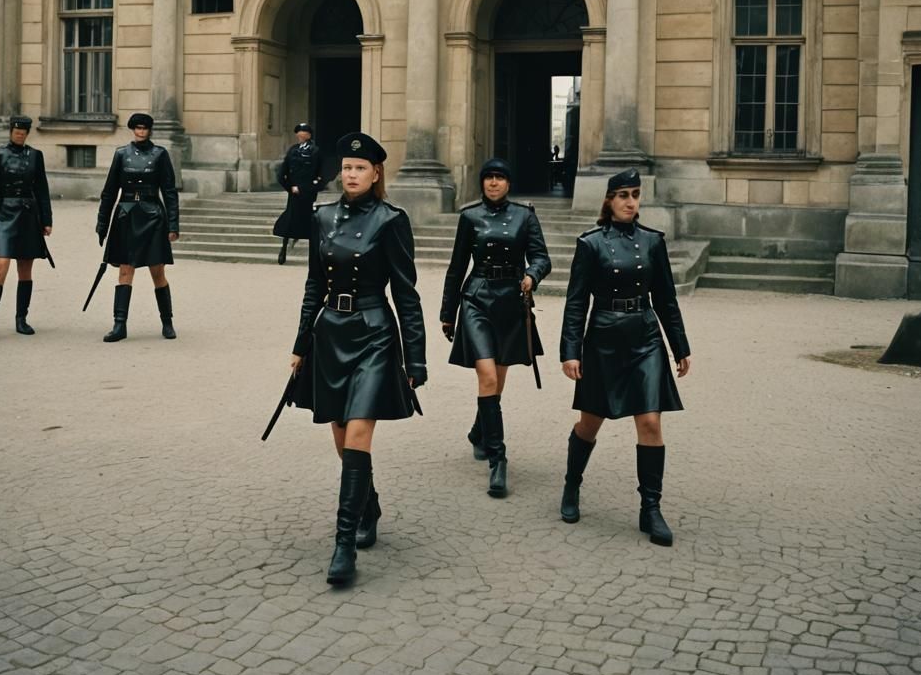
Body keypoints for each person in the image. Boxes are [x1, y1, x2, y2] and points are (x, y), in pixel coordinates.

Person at [290, 131, 426, 585]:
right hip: (330, 333)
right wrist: (300, 343)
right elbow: (313, 284)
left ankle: (344, 545)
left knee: (360, 432)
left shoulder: (391, 220)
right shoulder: (322, 217)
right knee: (340, 433)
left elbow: (407, 295)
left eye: (360, 168)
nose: (351, 174)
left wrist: (416, 360)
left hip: (373, 334)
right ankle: (369, 504)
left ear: (376, 173)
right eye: (347, 167)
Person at [559, 169, 691, 547]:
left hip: (645, 336)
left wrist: (679, 346)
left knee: (650, 421)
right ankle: (572, 484)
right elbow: (575, 303)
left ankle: (651, 507)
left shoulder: (653, 242)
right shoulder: (590, 244)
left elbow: (666, 298)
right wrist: (570, 351)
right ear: (608, 201)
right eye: (623, 195)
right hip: (603, 339)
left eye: (635, 194)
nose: (631, 202)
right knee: (590, 422)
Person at [439, 158, 551, 498]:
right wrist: (448, 312)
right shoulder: (469, 216)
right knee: (487, 376)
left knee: (496, 379)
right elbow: (457, 266)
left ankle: (479, 431)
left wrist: (532, 275)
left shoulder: (525, 216)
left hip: (511, 302)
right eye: (488, 177)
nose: (493, 183)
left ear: (508, 183)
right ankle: (498, 460)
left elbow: (542, 257)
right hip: (477, 299)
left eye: (500, 177)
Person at [95, 113, 180, 342]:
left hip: (153, 214)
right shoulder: (121, 154)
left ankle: (167, 321)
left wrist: (173, 224)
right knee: (125, 270)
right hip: (126, 215)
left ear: (150, 130)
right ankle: (119, 324)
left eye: (145, 128)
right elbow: (110, 191)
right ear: (133, 130)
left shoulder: (160, 154)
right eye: (137, 128)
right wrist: (102, 223)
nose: (141, 132)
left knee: (157, 271)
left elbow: (170, 192)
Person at [0, 115, 53, 344]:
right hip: (4, 214)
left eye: (23, 132)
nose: (19, 134)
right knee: (1, 266)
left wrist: (46, 221)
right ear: (10, 131)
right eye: (16, 131)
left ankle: (21, 319)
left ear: (27, 133)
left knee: (25, 269)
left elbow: (42, 190)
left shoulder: (36, 156)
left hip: (28, 215)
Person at [273, 122, 323, 265]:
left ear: (308, 135)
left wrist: (312, 188)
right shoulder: (293, 150)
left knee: (309, 222)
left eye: (303, 132)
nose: (300, 135)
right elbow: (283, 172)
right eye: (298, 133)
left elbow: (320, 173)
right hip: (294, 194)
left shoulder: (315, 151)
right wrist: (290, 187)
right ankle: (284, 248)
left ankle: (313, 256)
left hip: (308, 194)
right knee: (290, 220)